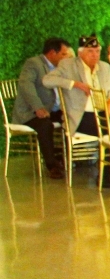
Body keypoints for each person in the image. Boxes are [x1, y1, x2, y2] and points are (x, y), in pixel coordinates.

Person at [43, 34, 110, 138]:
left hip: (103, 113)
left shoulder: (104, 67)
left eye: (97, 51)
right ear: (80, 52)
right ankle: (108, 153)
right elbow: (47, 80)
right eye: (90, 51)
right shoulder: (68, 65)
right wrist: (75, 84)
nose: (95, 55)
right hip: (82, 115)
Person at [15, 38, 72, 179]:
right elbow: (25, 85)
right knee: (45, 125)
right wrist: (38, 107)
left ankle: (69, 157)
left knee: (74, 117)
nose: (66, 57)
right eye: (63, 54)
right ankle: (52, 165)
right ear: (53, 53)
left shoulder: (61, 67)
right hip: (31, 112)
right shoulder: (33, 64)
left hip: (53, 110)